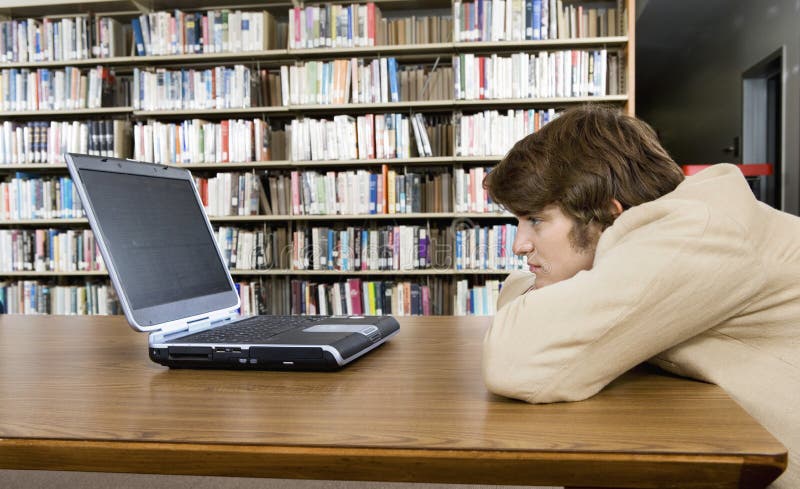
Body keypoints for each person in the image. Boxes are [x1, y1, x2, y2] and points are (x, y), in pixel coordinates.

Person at [481, 104, 800, 488]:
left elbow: (517, 361)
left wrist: (548, 297)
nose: (519, 245)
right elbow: (518, 302)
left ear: (606, 213)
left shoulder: (697, 232)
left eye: (535, 220)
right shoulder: (671, 231)